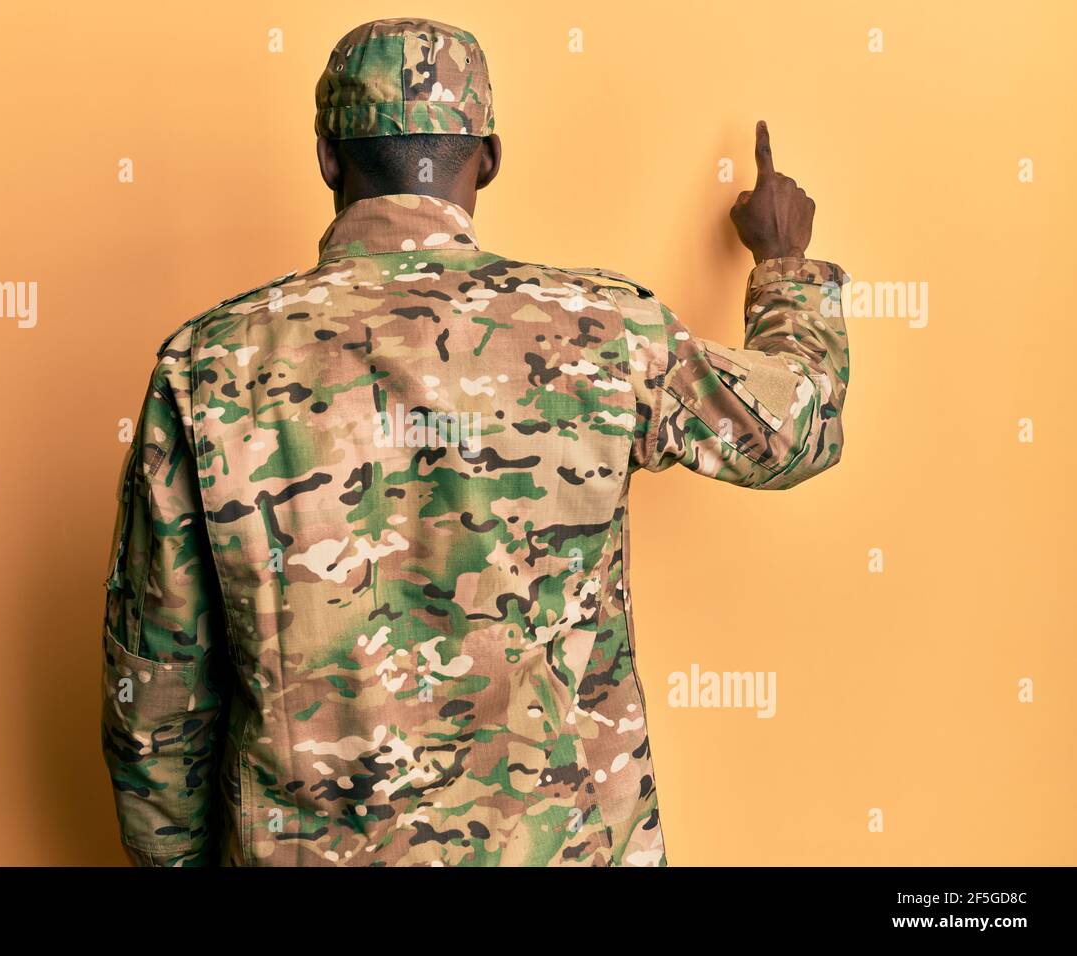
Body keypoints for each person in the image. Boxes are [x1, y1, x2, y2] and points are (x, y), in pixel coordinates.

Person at [100, 17, 848, 866]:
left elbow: (155, 696)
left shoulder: (208, 365)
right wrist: (786, 266)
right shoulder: (599, 334)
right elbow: (800, 427)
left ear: (327, 158)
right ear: (487, 157)